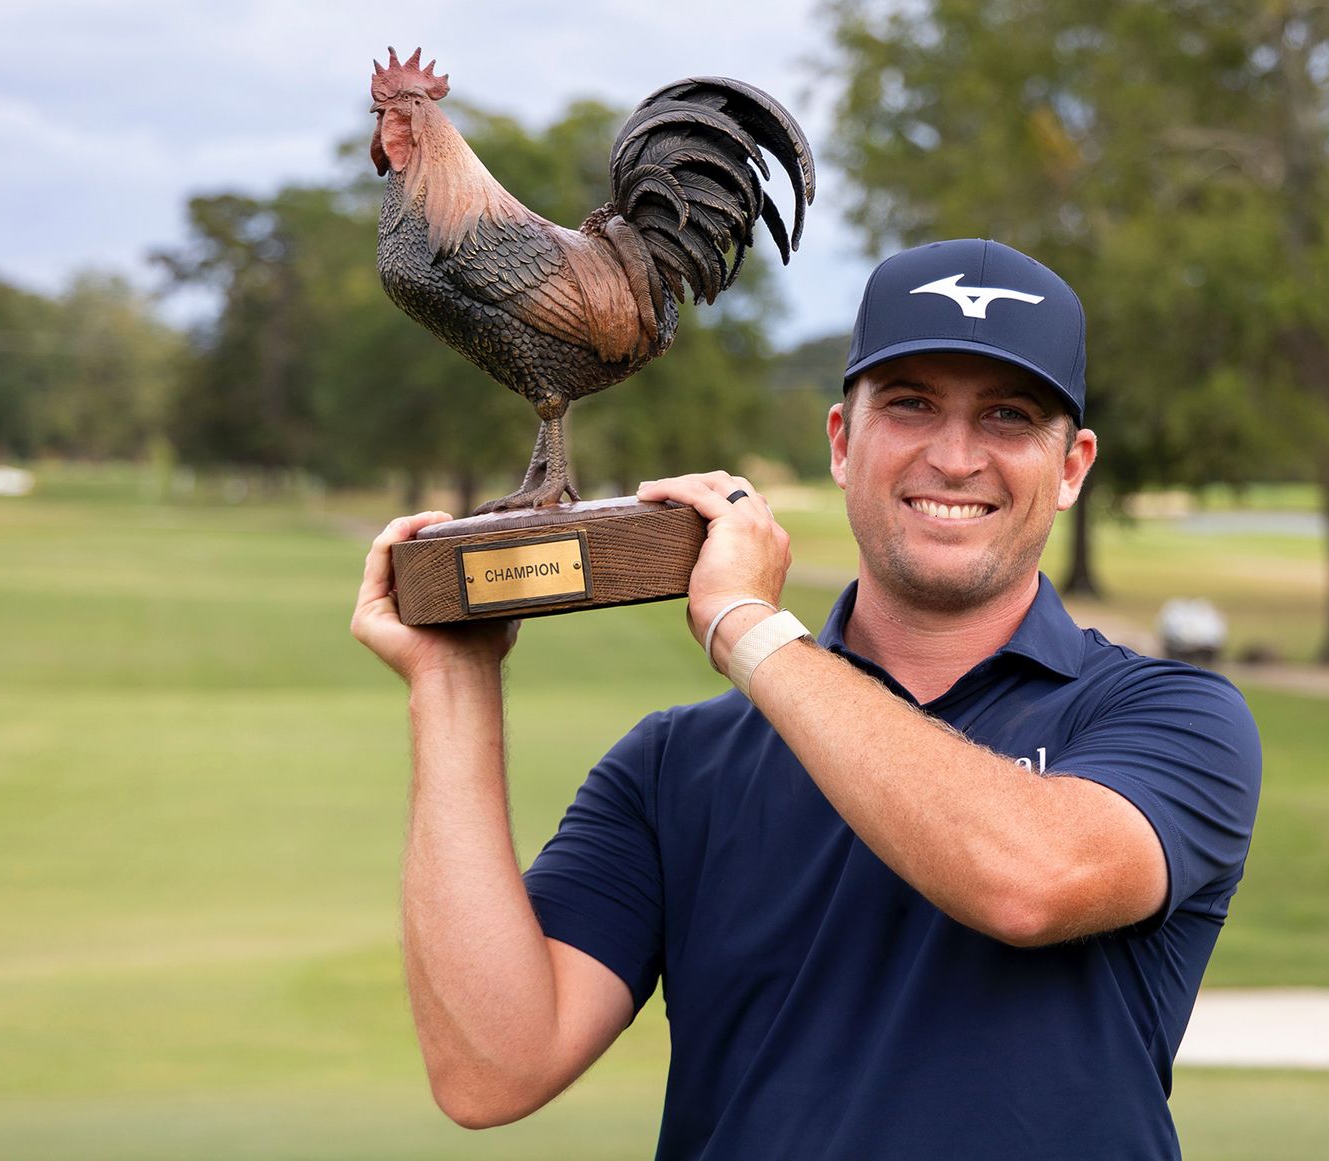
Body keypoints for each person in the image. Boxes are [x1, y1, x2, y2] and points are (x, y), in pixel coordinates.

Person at [351, 238, 1262, 1159]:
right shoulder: (676, 767)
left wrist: (747, 626)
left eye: (1008, 416)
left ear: (1071, 468)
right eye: (910, 405)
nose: (954, 456)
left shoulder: (1173, 718)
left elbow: (1029, 880)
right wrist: (452, 683)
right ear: (840, 441)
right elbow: (491, 1067)